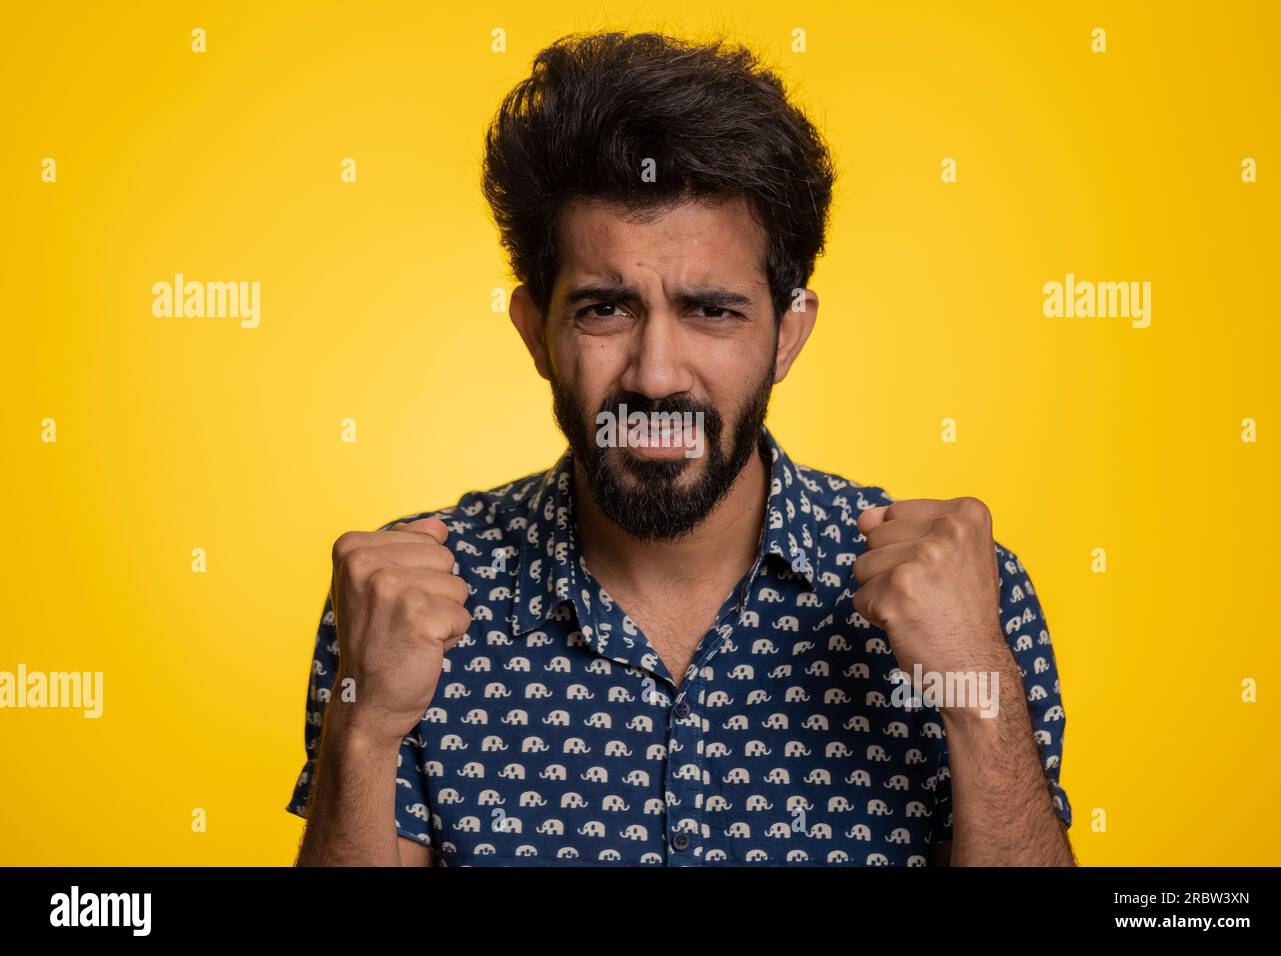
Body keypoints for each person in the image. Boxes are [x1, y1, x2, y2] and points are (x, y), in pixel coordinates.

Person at [288, 31, 1074, 867]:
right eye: (605, 309)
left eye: (713, 311)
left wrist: (979, 697)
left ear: (788, 334)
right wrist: (362, 732)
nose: (657, 376)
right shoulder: (405, 596)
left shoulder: (961, 596)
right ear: (535, 334)